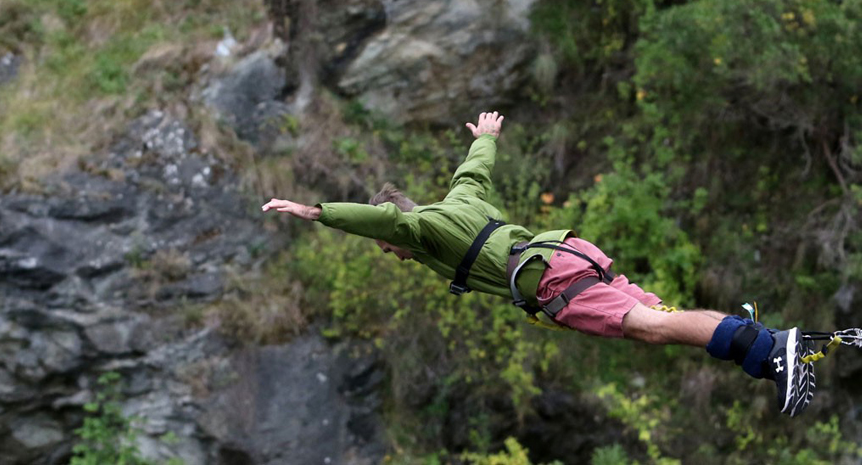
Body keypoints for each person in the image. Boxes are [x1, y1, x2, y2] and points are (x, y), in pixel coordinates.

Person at [262, 111, 816, 416]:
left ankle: (768, 346)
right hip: (571, 253)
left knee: (654, 327)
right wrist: (485, 138)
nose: (393, 254)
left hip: (551, 281)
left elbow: (385, 223)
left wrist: (315, 211)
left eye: (389, 249)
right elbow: (473, 170)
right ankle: (768, 355)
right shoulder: (458, 201)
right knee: (658, 320)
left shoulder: (422, 229)